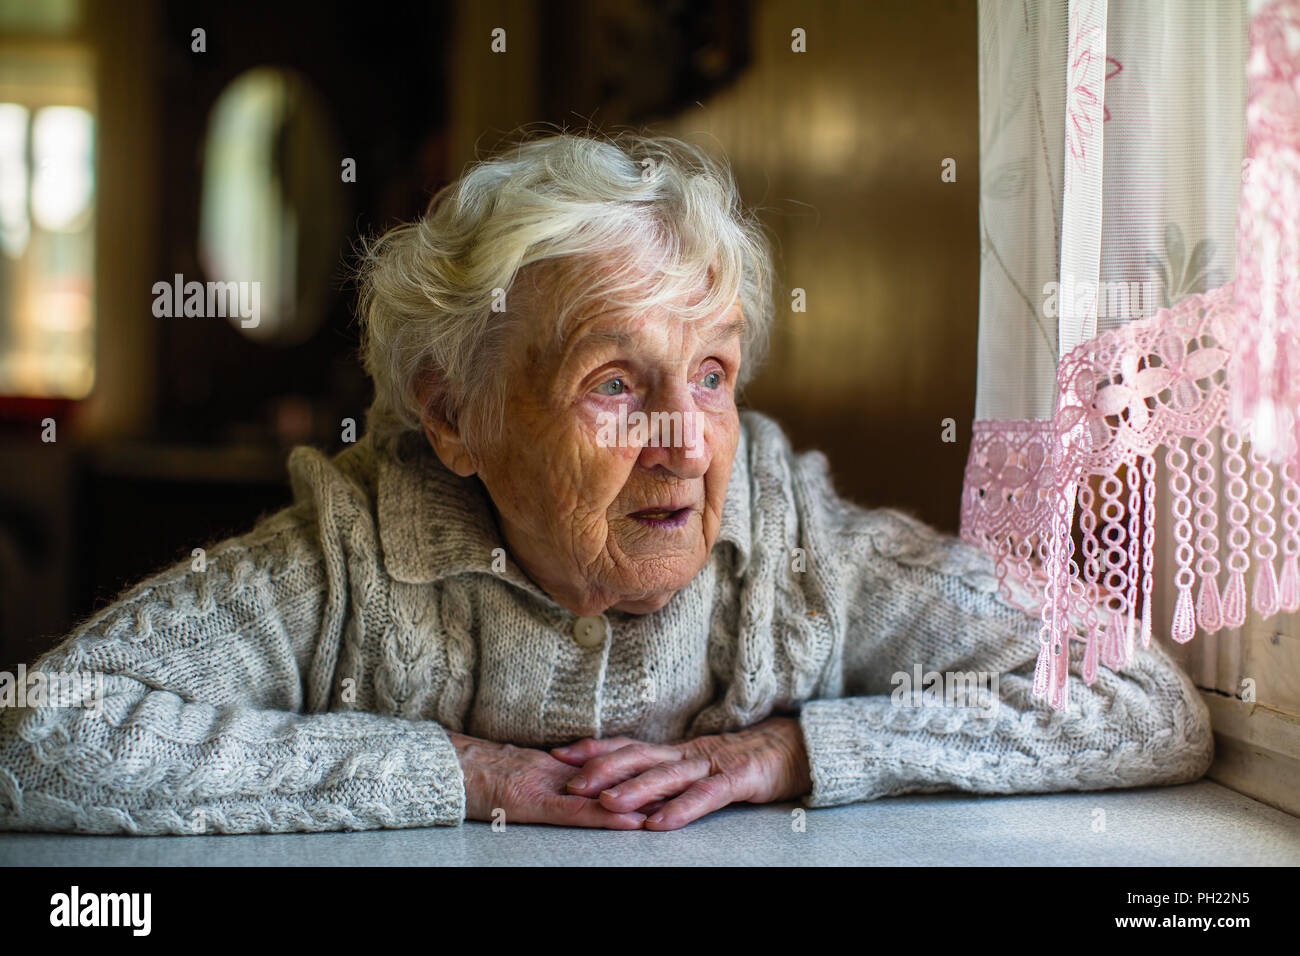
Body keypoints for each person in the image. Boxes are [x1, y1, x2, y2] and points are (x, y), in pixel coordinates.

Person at [0, 130, 1213, 835]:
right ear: (454, 414)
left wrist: (793, 752)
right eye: (615, 386)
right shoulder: (352, 559)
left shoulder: (790, 544)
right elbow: (39, 733)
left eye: (712, 373)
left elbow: (1146, 703)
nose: (687, 444)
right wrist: (458, 774)